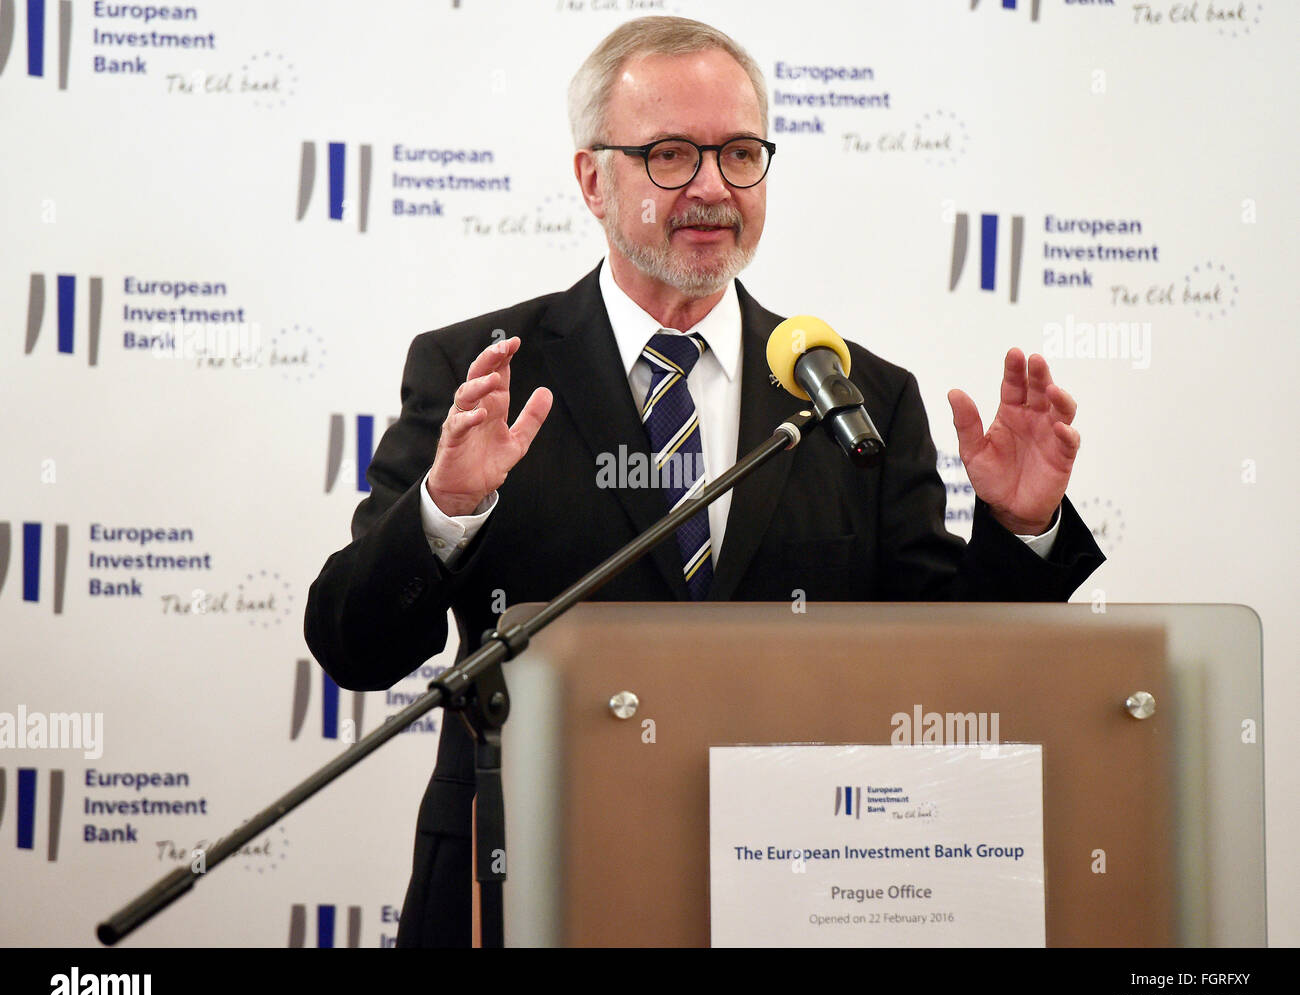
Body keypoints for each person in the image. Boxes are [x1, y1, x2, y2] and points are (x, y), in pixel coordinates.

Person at [305, 16, 1104, 946]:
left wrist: (1023, 527)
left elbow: (946, 680)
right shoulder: (481, 373)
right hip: (524, 874)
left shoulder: (857, 395)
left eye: (739, 153)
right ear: (591, 178)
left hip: (798, 884)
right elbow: (354, 647)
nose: (714, 189)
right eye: (672, 154)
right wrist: (447, 509)